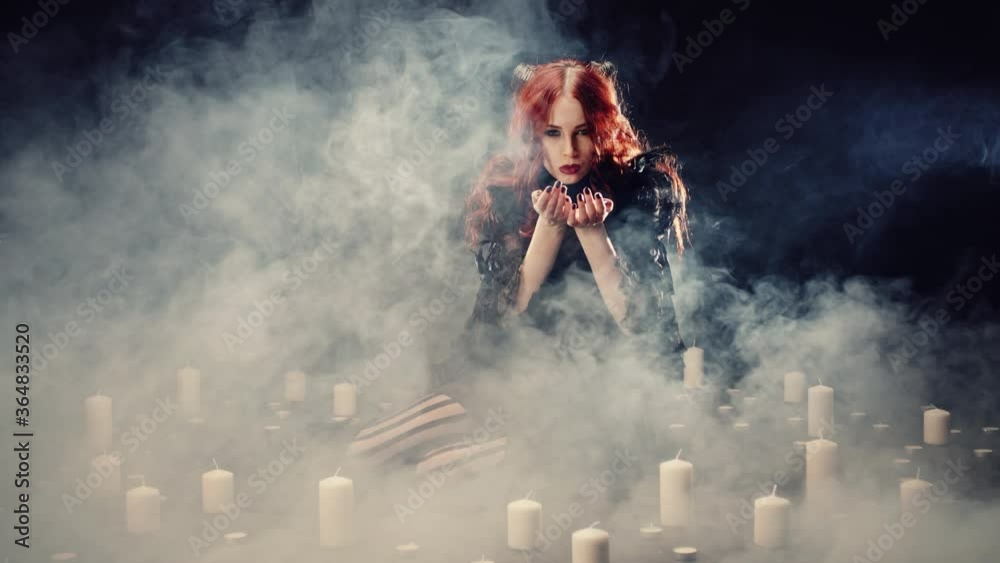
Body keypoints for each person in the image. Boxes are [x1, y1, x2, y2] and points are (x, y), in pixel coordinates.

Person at [348, 58, 690, 478]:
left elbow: (644, 330)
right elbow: (498, 322)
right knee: (367, 450)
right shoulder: (512, 192)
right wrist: (549, 228)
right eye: (553, 133)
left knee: (437, 469)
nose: (569, 150)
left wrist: (593, 234)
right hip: (517, 385)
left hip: (604, 399)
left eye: (583, 132)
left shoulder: (637, 189)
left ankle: (526, 464)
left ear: (601, 129)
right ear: (534, 134)